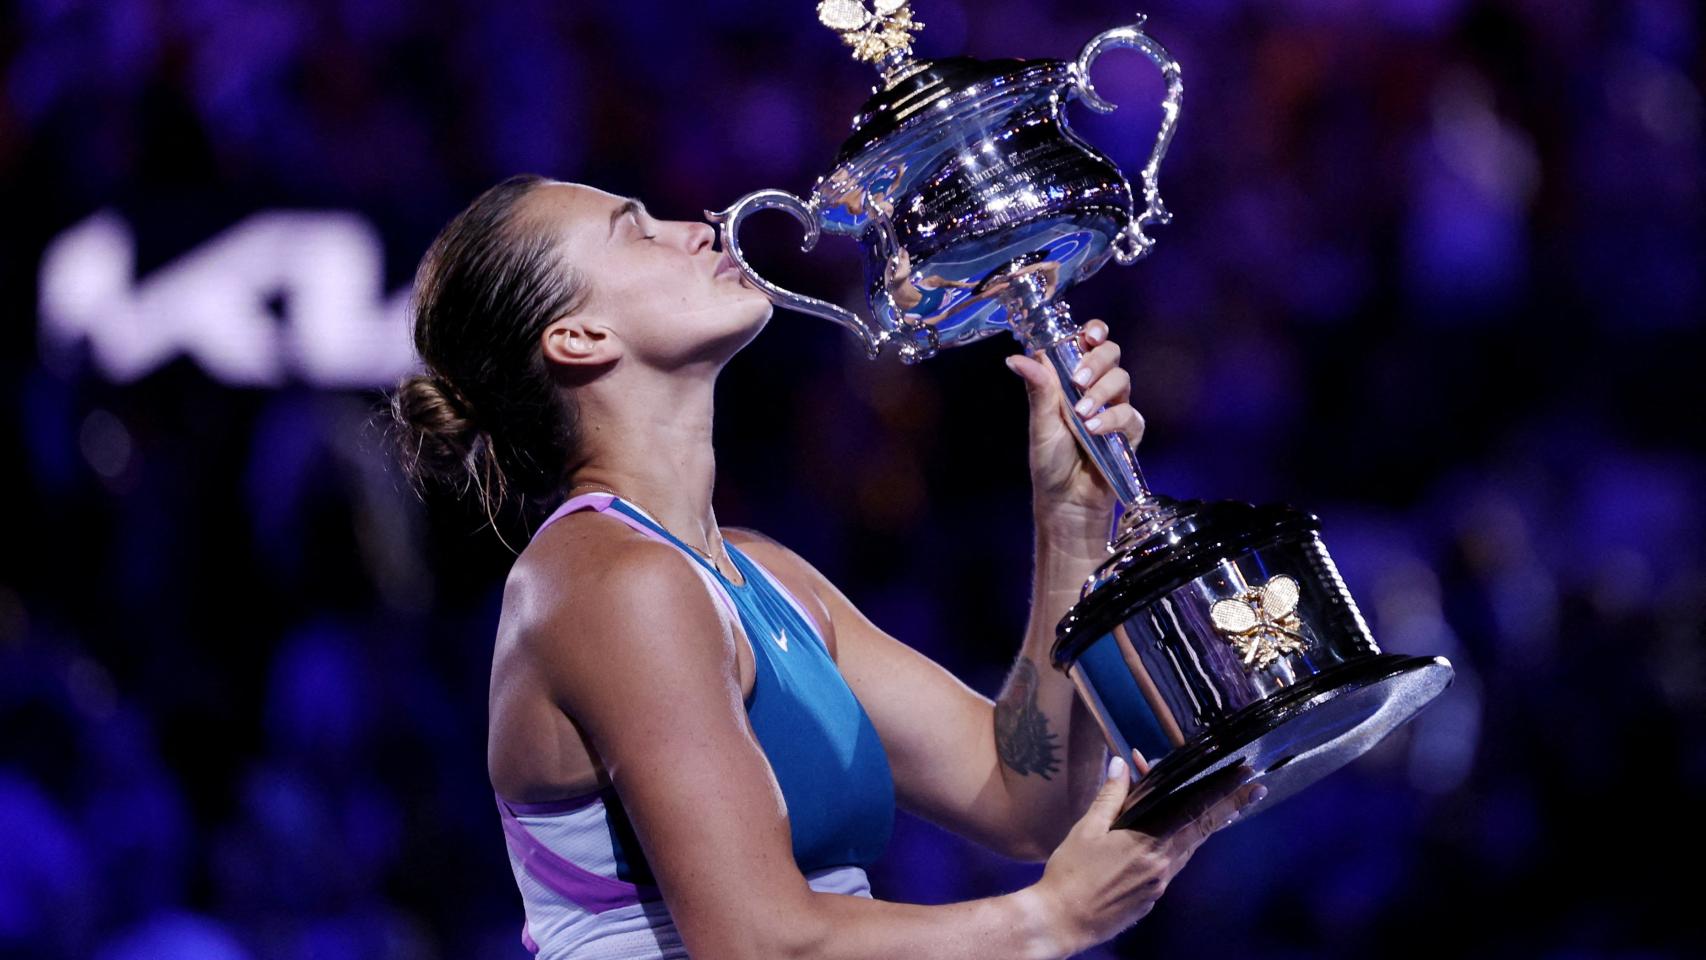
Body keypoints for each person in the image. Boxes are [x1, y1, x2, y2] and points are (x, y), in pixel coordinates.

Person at [387, 174, 1267, 960]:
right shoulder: (609, 583)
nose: (700, 227)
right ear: (578, 336)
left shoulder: (767, 576)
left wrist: (1070, 523)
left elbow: (1020, 796)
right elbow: (759, 944)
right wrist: (1050, 921)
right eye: (638, 228)